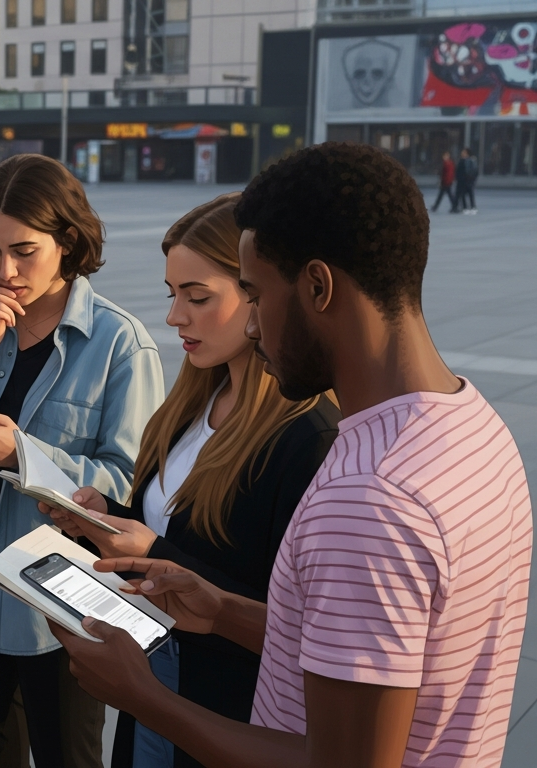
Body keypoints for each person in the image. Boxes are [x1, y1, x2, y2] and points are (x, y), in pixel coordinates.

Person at [53, 143, 531, 767]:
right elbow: (372, 650)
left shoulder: (370, 498)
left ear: (317, 286)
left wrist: (143, 697)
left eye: (254, 293)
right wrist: (224, 610)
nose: (251, 325)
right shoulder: (470, 423)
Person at [38, 193, 339, 768]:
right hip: (153, 687)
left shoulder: (308, 438)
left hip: (224, 718)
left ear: (257, 294)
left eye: (198, 297)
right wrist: (103, 520)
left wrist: (154, 550)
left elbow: (294, 622)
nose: (176, 316)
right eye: (173, 295)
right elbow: (166, 525)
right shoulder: (192, 402)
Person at [0, 153, 165, 768]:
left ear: (67, 242)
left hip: (59, 606)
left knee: (67, 756)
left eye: (24, 251)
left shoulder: (119, 342)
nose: (6, 270)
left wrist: (24, 452)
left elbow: (129, 487)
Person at [458, 146, 479, 214]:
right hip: (465, 180)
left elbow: (474, 171)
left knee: (470, 194)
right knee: (464, 194)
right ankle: (466, 207)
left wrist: (471, 178)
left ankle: (472, 207)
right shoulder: (463, 160)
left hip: (469, 180)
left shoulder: (471, 160)